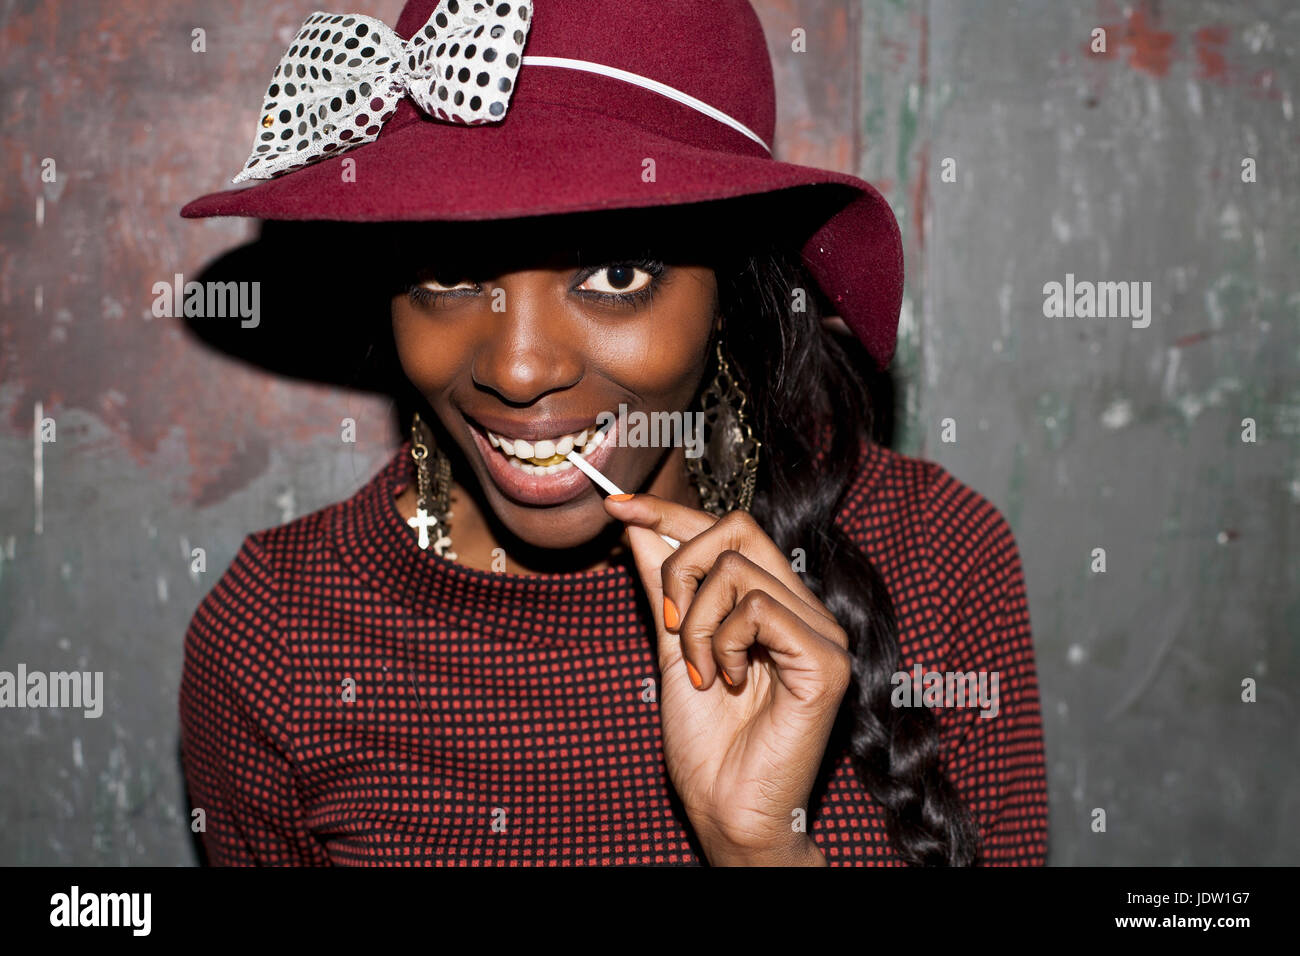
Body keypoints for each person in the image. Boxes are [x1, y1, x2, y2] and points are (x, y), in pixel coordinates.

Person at [178, 0, 1049, 866]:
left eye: (616, 271)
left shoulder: (939, 559)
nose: (518, 371)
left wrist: (756, 850)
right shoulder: (278, 637)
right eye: (446, 274)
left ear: (730, 293)